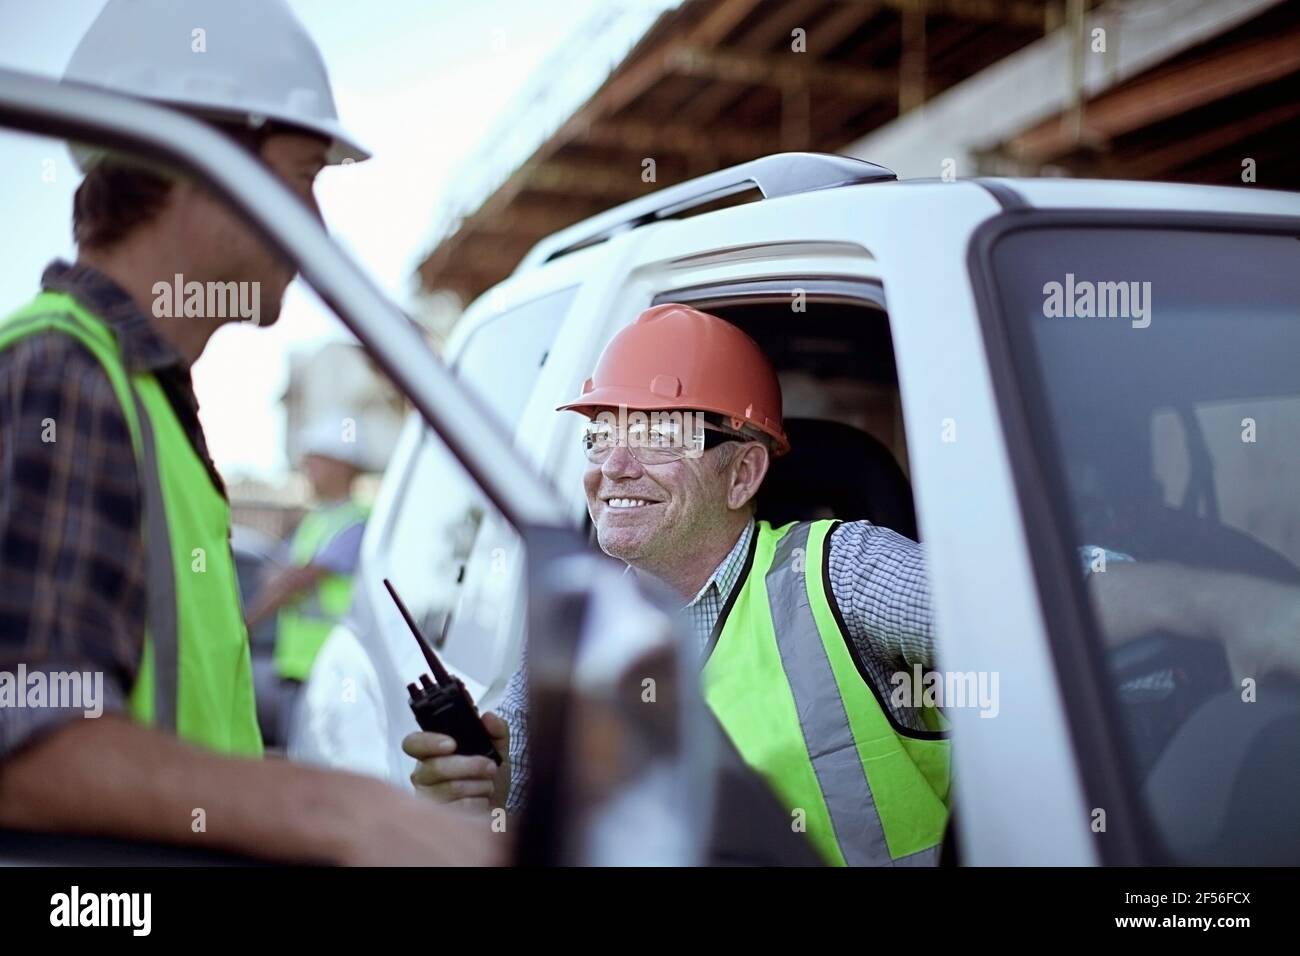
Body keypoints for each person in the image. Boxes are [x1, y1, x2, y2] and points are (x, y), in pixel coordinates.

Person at [405, 303, 1300, 866]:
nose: (612, 466)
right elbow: (505, 807)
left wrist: (1223, 604)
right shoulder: (572, 622)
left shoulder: (840, 571)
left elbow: (1023, 608)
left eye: (660, 433)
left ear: (744, 474)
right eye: (602, 437)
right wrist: (478, 796)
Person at [0, 0, 495, 865]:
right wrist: (345, 815)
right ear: (197, 161)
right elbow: (28, 749)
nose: (317, 226)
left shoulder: (146, 403)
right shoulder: (64, 376)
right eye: (305, 174)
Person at [246, 422, 370, 685]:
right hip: (299, 667)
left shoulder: (355, 523)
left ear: (341, 464)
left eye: (315, 461)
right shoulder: (314, 520)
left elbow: (293, 581)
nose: (307, 469)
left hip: (330, 670)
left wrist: (245, 626)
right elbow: (272, 573)